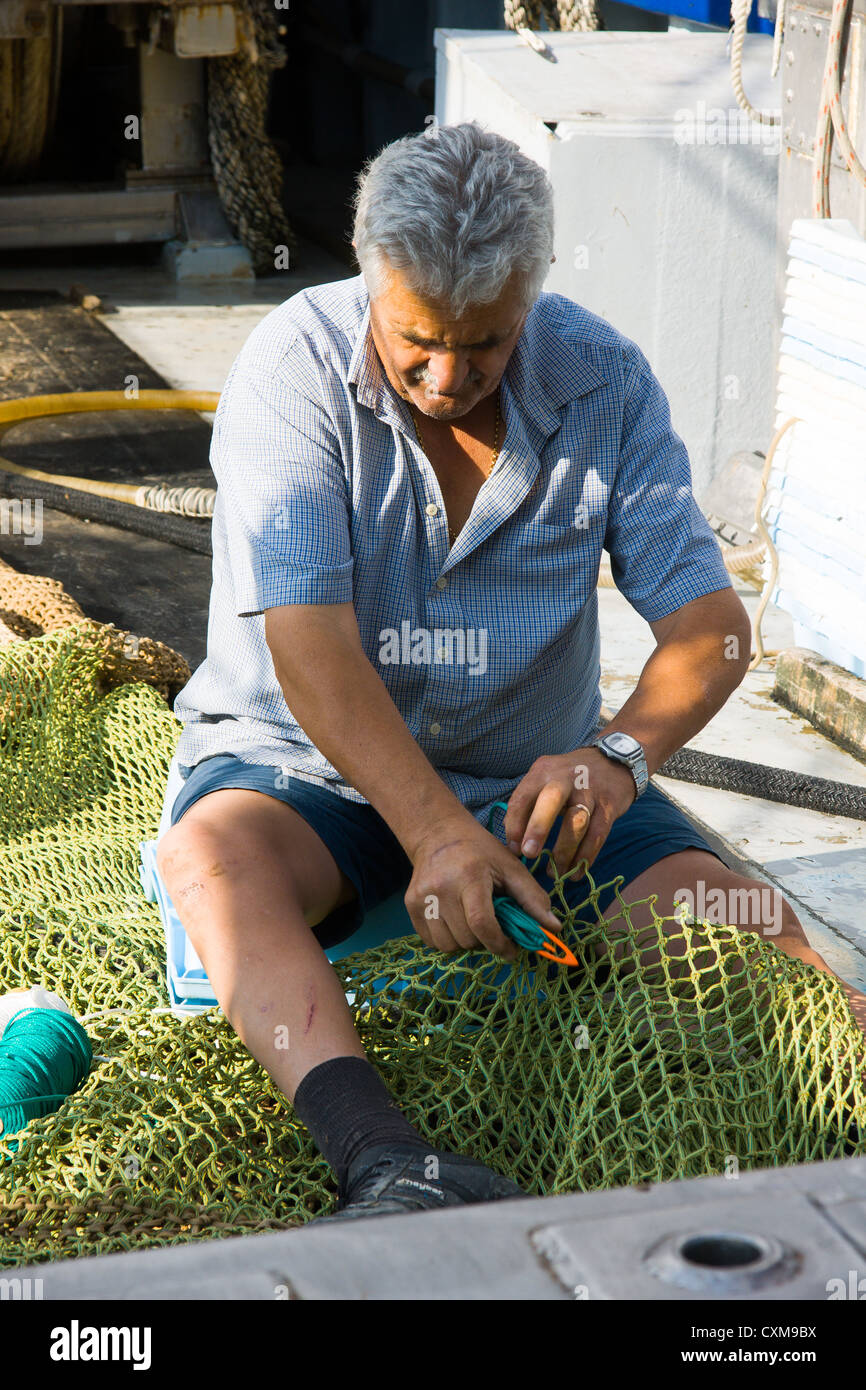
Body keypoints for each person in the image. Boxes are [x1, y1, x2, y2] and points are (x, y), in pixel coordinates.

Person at [156, 121, 866, 1223]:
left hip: (535, 795)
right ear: (366, 278)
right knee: (209, 858)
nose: (445, 376)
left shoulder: (604, 384)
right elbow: (310, 643)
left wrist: (615, 756)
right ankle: (385, 1159)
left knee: (763, 943)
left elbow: (712, 629)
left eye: (482, 344)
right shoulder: (288, 368)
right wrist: (435, 832)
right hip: (307, 779)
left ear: (531, 296)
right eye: (414, 342)